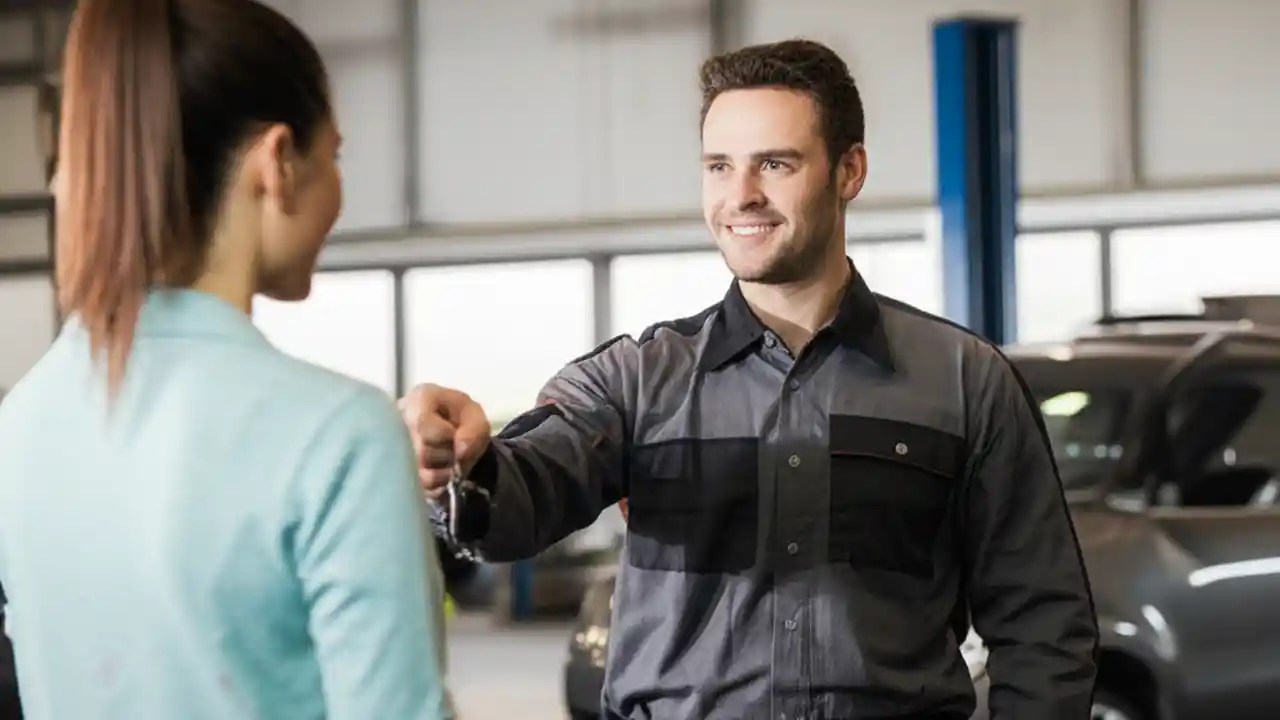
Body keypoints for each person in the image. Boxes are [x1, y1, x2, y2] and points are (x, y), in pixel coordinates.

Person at [402, 38, 1098, 719]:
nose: (741, 196)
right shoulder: (638, 382)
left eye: (774, 163)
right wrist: (462, 463)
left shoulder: (964, 381)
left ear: (848, 171)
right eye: (718, 166)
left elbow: (1043, 622)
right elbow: (523, 494)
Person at [0, 1, 452, 718]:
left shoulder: (19, 424)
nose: (337, 188)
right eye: (333, 155)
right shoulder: (338, 435)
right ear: (277, 162)